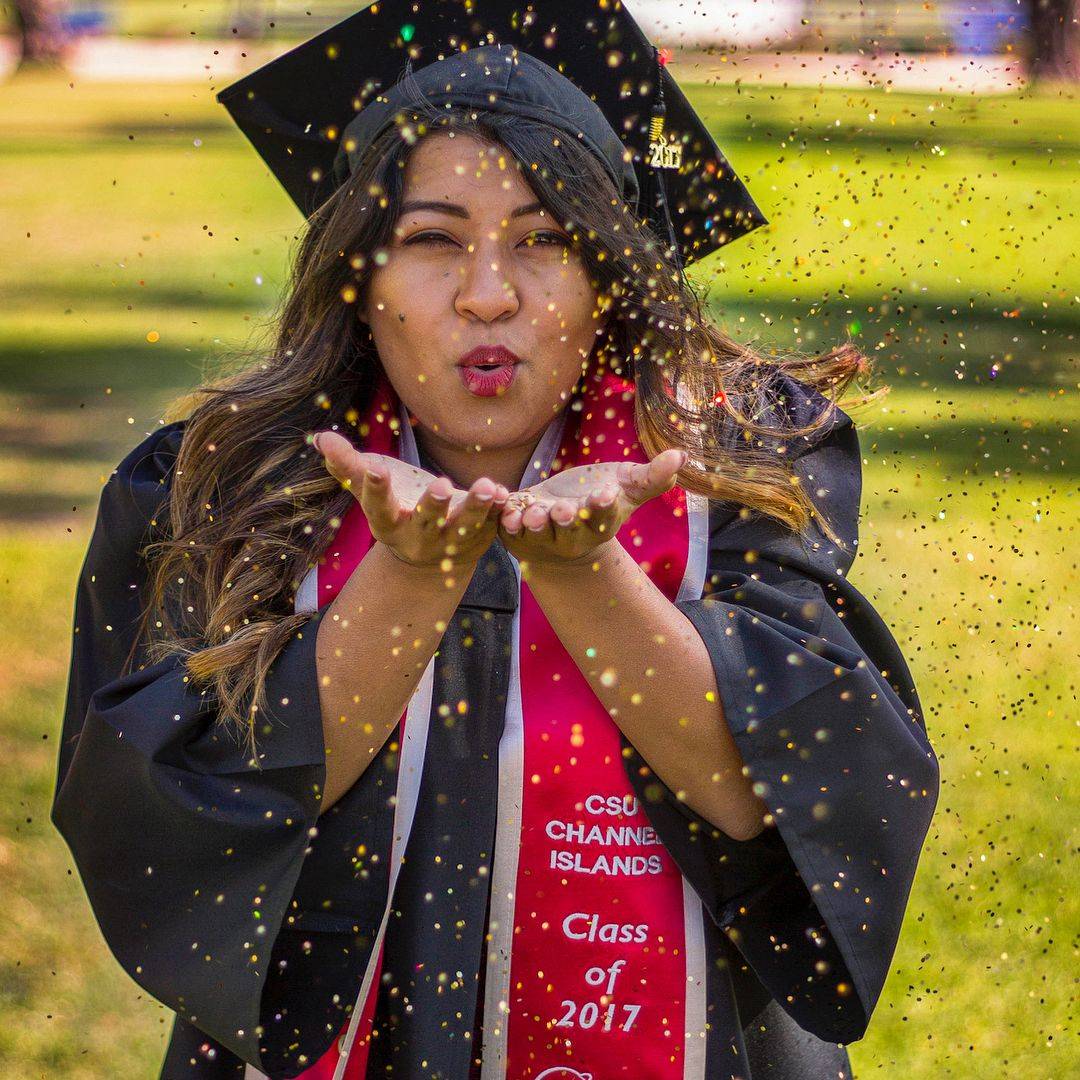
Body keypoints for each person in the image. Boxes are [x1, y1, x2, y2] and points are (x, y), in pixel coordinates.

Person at [50, 7, 939, 1080]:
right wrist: (415, 574)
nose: (488, 294)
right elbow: (179, 816)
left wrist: (584, 572)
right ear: (358, 276)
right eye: (431, 240)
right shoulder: (224, 488)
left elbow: (794, 792)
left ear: (608, 274)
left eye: (546, 239)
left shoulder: (738, 471)